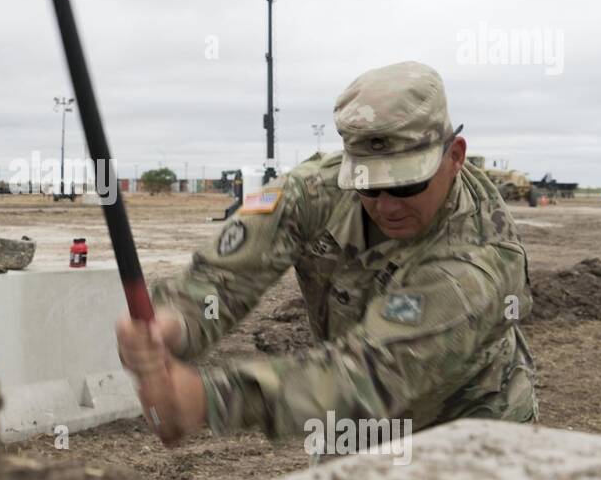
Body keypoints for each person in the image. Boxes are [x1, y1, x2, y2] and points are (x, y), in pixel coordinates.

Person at [116, 61, 537, 446]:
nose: (387, 205)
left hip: (469, 440)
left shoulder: (478, 260)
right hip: (354, 436)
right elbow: (226, 281)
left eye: (408, 185)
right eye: (369, 186)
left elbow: (371, 375)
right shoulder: (316, 192)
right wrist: (178, 322)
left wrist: (209, 398)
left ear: (455, 156)